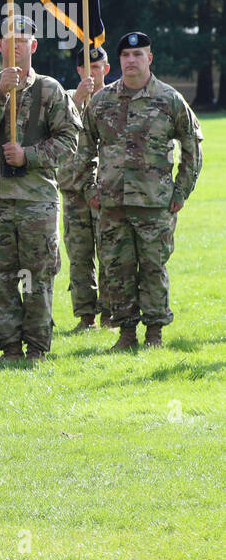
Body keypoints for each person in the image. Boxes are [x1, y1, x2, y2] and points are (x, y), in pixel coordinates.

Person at [74, 31, 203, 350]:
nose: (131, 60)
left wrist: (179, 193)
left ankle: (155, 333)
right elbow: (83, 149)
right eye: (126, 56)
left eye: (138, 55)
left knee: (153, 269)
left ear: (150, 58)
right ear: (119, 61)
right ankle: (126, 332)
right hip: (112, 204)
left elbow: (192, 149)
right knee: (117, 270)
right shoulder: (102, 102)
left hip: (155, 204)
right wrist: (90, 189)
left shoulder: (170, 99)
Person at [0, 16, 81, 361]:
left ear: (33, 46)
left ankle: (37, 346)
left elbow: (69, 140)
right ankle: (9, 346)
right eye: (8, 40)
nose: (15, 46)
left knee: (37, 275)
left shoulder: (49, 89)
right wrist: (1, 92)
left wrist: (28, 156)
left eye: (22, 40)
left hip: (36, 201)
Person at [57, 45, 114, 330]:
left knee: (109, 253)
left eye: (98, 66)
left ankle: (110, 313)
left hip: (105, 189)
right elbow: (58, 128)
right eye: (86, 67)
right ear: (79, 70)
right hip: (73, 189)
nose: (92, 71)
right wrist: (79, 98)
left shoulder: (115, 99)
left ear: (106, 68)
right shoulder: (66, 98)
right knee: (79, 257)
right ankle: (85, 315)